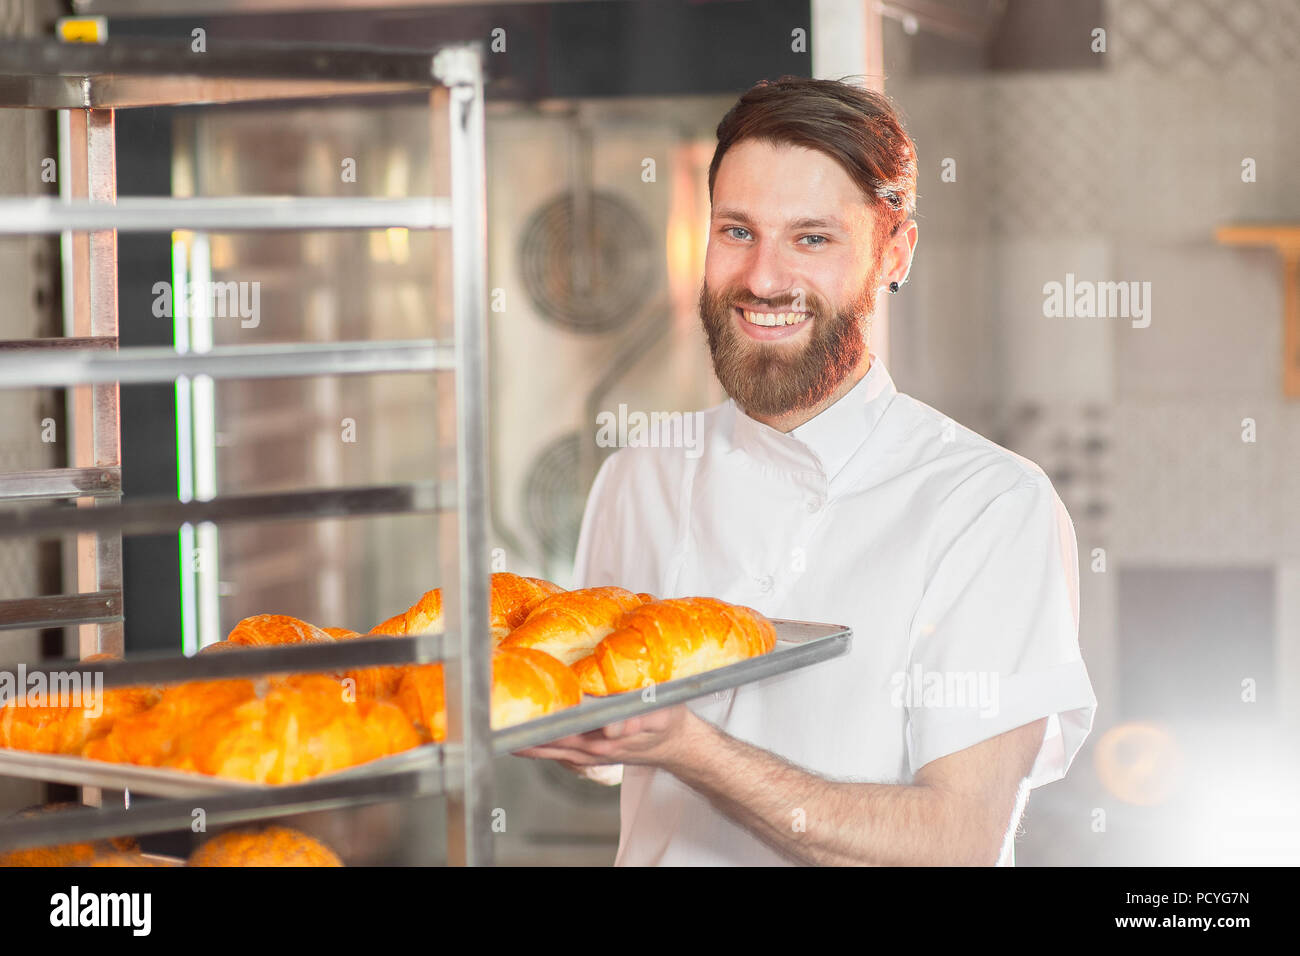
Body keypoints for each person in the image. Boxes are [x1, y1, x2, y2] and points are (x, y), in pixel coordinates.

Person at [517, 76, 1096, 866]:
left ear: (894, 252)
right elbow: (604, 747)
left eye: (812, 238)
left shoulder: (988, 506)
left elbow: (959, 841)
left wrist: (691, 747)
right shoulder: (637, 476)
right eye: (737, 231)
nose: (762, 279)